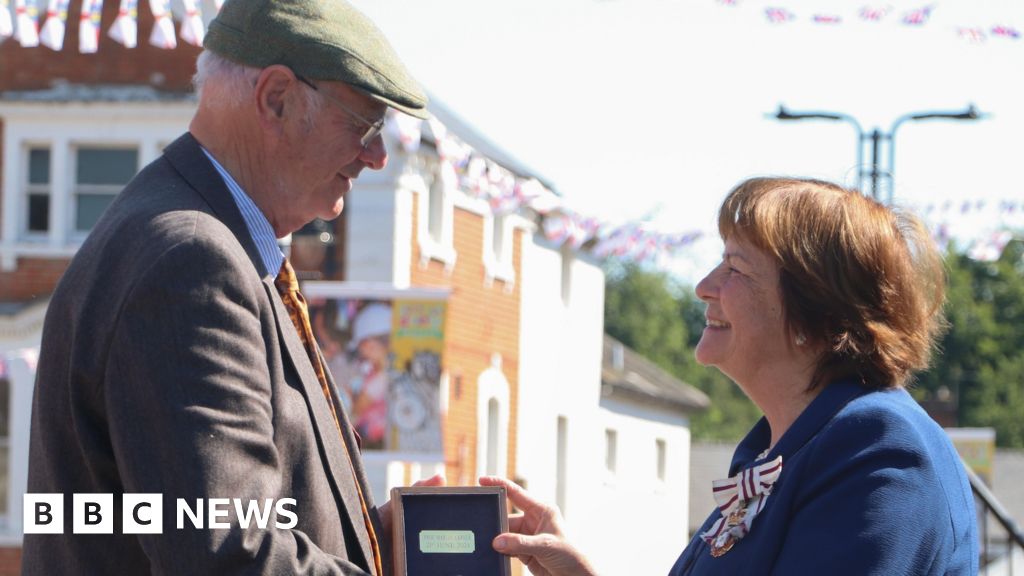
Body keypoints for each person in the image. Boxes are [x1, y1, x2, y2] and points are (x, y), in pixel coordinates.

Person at [22, 0, 441, 574]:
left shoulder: (198, 243)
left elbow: (203, 522)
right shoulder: (191, 260)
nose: (376, 155)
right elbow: (229, 553)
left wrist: (363, 535)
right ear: (276, 98)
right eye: (365, 124)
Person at [483, 177, 979, 575]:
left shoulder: (879, 452)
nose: (703, 287)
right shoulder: (780, 453)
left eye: (735, 270)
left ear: (819, 317)